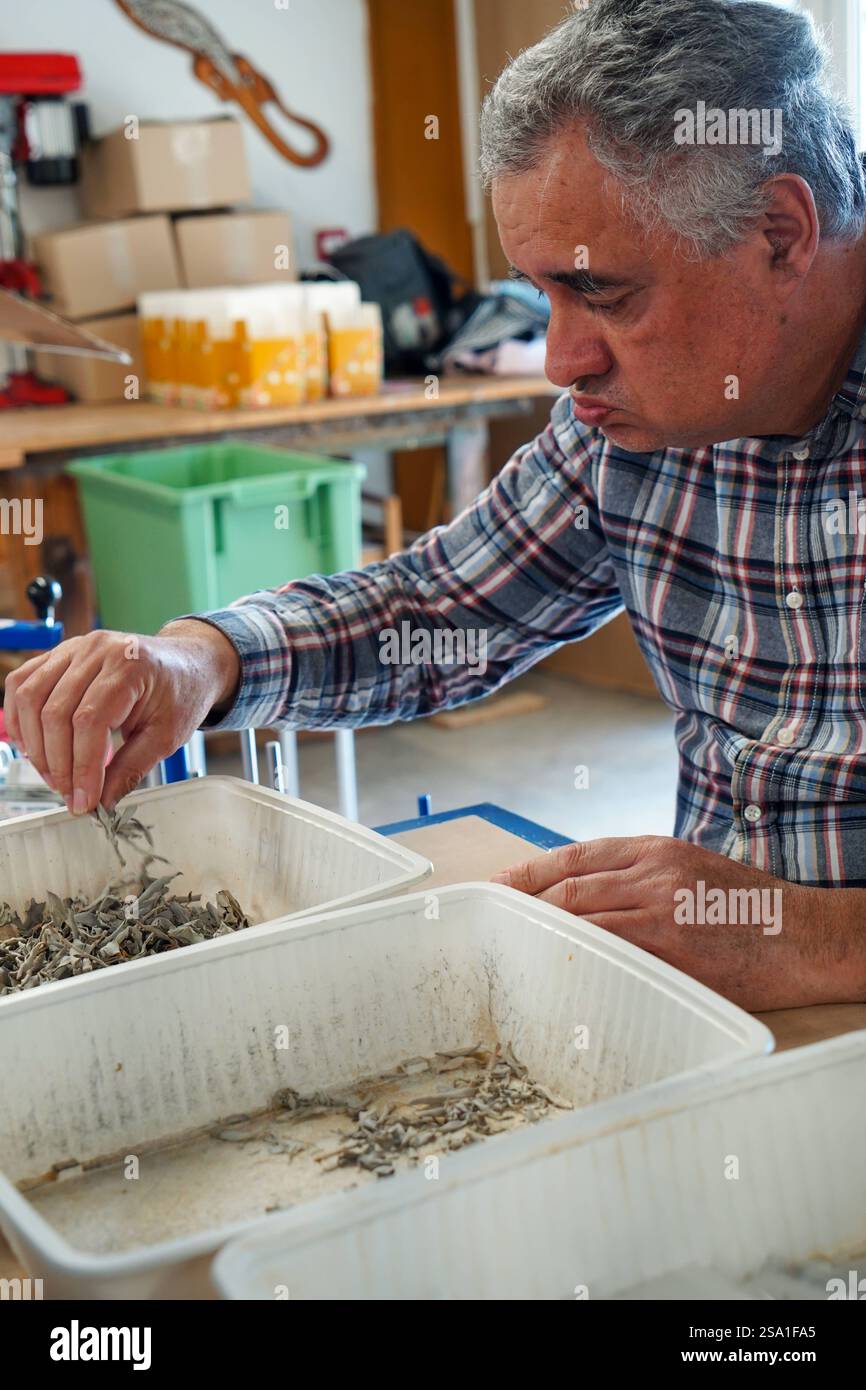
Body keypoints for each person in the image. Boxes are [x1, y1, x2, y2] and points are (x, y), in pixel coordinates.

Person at [6, 0, 866, 1010]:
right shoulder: (624, 424)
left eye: (605, 294)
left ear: (778, 234)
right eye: (539, 292)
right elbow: (442, 608)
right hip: (723, 1012)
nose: (559, 360)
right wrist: (202, 659)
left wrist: (812, 937)